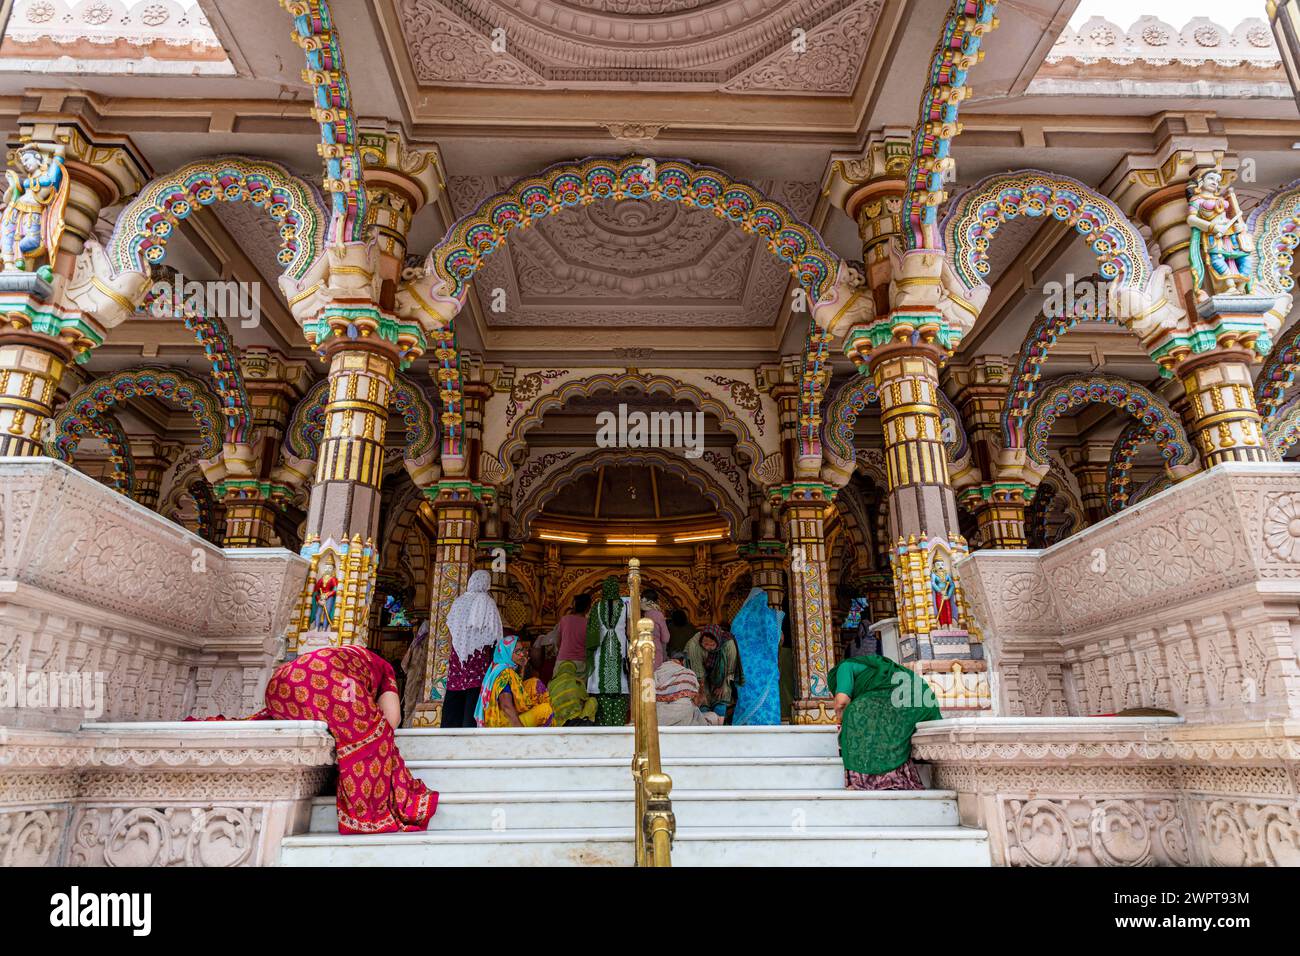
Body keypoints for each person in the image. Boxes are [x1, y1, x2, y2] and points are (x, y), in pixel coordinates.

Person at [264, 644, 437, 833]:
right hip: (323, 678)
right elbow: (393, 719)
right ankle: (363, 814)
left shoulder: (348, 656)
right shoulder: (384, 669)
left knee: (345, 728)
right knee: (376, 735)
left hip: (280, 686)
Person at [828, 654, 941, 791]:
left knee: (854, 712)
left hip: (905, 696)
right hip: (922, 700)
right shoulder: (871, 676)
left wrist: (841, 719)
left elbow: (841, 702)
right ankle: (893, 777)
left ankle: (872, 780)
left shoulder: (844, 668)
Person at [444, 569, 501, 728]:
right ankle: (469, 727)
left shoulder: (459, 601)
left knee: (455, 690)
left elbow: (450, 631)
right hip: (478, 655)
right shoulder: (487, 602)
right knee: (474, 691)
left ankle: (449, 730)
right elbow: (494, 634)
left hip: (458, 655)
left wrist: (458, 650)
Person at [476, 634, 554, 728]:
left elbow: (517, 689)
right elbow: (506, 706)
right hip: (502, 723)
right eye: (517, 651)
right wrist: (520, 732)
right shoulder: (504, 674)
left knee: (534, 683)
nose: (522, 654)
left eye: (522, 650)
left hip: (503, 717)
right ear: (507, 653)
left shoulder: (499, 666)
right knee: (546, 710)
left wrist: (522, 667)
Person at [730, 588, 783, 725]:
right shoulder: (768, 618)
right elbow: (779, 638)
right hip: (767, 670)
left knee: (747, 700)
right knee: (767, 700)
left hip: (746, 672)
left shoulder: (739, 621)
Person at [546, 594, 598, 725]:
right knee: (578, 693)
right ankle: (578, 721)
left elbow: (558, 641)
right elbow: (591, 645)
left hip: (562, 660)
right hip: (580, 663)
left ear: (574, 605)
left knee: (557, 689)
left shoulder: (565, 620)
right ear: (588, 607)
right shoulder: (589, 623)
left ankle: (555, 719)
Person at [586, 576, 629, 725]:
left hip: (600, 653)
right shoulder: (626, 607)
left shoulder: (597, 607)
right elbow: (631, 631)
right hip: (621, 652)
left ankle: (603, 729)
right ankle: (618, 727)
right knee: (621, 691)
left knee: (601, 695)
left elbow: (591, 632)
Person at [684, 624, 741, 722]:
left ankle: (719, 726)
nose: (708, 648)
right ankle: (705, 725)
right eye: (705, 644)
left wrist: (722, 685)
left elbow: (730, 669)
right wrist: (701, 692)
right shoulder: (694, 645)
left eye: (712, 645)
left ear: (718, 642)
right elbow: (698, 673)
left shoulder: (728, 644)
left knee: (723, 693)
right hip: (701, 674)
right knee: (703, 698)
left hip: (722, 674)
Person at [654, 659, 721, 727]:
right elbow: (696, 700)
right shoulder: (687, 672)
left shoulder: (655, 673)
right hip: (683, 715)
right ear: (680, 662)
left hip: (658, 718)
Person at [640, 588, 671, 668]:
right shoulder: (658, 615)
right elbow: (666, 638)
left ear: (649, 602)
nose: (640, 602)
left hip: (641, 651)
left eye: (642, 599)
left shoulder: (641, 615)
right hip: (655, 651)